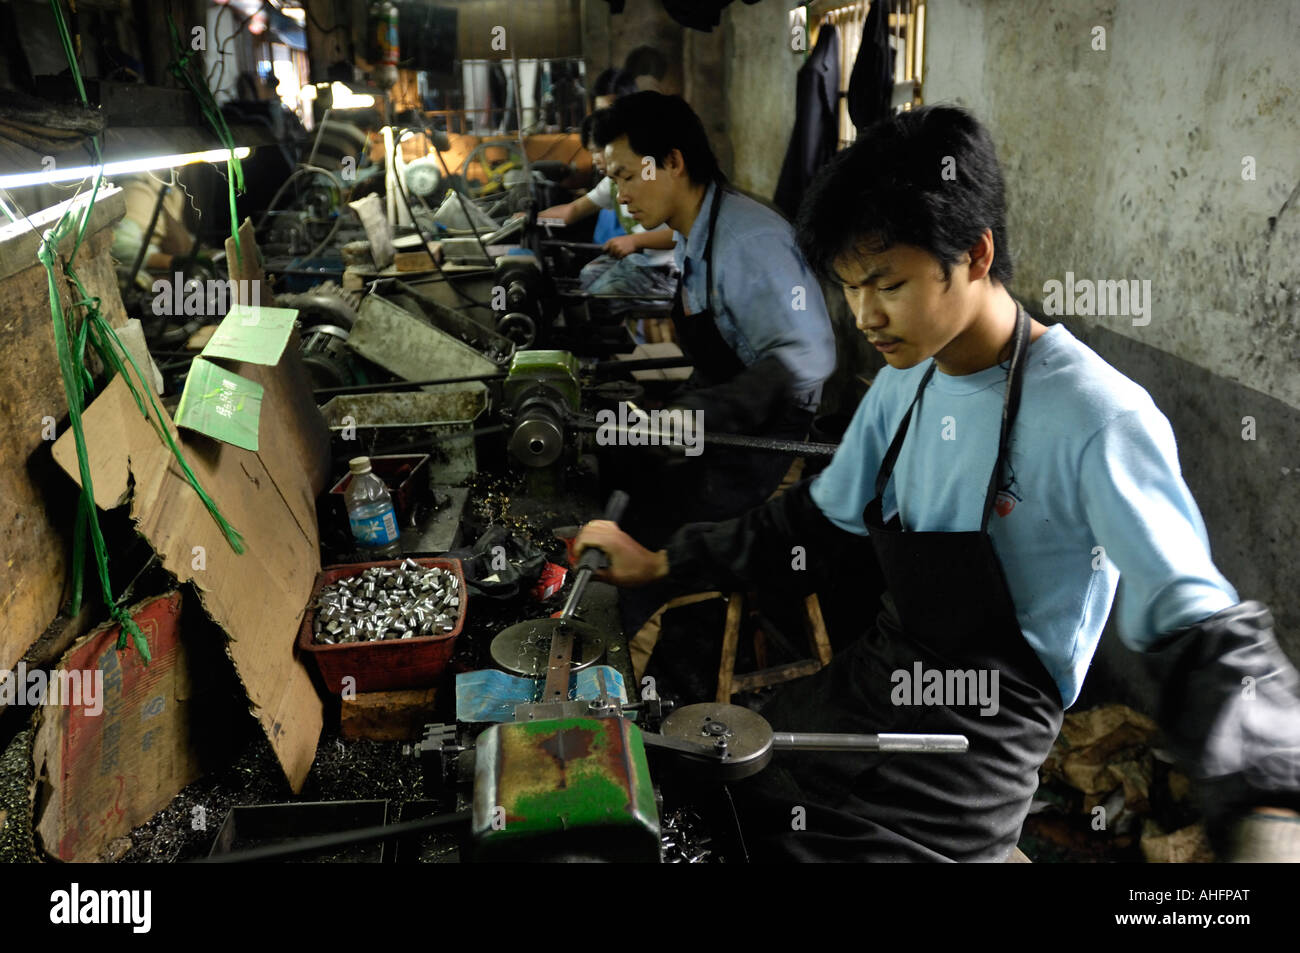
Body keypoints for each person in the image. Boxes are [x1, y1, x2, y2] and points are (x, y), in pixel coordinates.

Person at [574, 104, 1300, 862]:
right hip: (878, 678)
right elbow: (813, 523)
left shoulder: (1098, 415)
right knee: (705, 787)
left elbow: (1200, 624)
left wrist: (1270, 797)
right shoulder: (904, 380)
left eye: (886, 283)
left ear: (976, 255)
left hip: (975, 747)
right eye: (850, 287)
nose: (864, 317)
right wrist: (660, 561)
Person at [590, 90, 837, 633]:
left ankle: (665, 658)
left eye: (630, 175)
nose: (620, 193)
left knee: (664, 519)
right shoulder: (695, 231)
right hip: (724, 407)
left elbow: (813, 354)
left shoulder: (750, 240)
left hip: (772, 430)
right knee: (624, 461)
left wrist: (713, 412)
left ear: (673, 162)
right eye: (615, 178)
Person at [534, 110, 679, 311]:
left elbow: (683, 232)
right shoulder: (611, 183)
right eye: (591, 152)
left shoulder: (653, 178)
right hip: (640, 260)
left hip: (665, 268)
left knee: (597, 298)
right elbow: (572, 211)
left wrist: (635, 241)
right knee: (585, 278)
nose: (594, 159)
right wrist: (531, 217)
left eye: (598, 151)